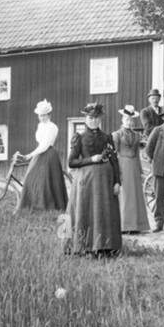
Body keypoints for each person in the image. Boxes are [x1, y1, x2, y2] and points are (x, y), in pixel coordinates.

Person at [65, 102, 122, 257]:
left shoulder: (107, 137)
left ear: (100, 119)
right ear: (86, 119)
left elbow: (114, 160)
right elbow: (71, 162)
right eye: (91, 118)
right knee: (86, 212)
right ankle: (84, 246)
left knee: (104, 211)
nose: (94, 121)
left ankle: (106, 246)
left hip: (105, 183)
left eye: (96, 118)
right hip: (86, 183)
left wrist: (117, 182)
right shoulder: (79, 138)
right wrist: (91, 159)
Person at [16, 99, 68, 211]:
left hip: (48, 154)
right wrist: (33, 155)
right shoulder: (40, 125)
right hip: (40, 153)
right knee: (31, 177)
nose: (42, 117)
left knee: (46, 181)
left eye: (44, 115)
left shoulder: (52, 127)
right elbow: (40, 142)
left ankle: (48, 207)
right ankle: (31, 205)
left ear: (49, 115)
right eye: (40, 115)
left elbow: (45, 145)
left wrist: (30, 155)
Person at [113, 105, 151, 234]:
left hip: (134, 166)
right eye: (127, 119)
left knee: (135, 195)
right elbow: (114, 153)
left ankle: (136, 225)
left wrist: (140, 171)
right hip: (122, 165)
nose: (129, 122)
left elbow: (137, 153)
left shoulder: (136, 135)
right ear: (122, 120)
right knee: (125, 195)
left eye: (131, 120)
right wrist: (115, 171)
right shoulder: (117, 135)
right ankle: (124, 226)